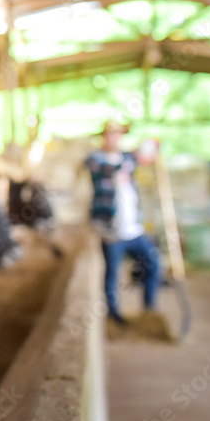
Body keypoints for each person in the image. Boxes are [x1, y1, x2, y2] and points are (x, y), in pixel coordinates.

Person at [85, 120, 161, 325]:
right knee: (113, 275)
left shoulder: (127, 158)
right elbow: (110, 169)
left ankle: (149, 310)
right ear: (103, 137)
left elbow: (144, 158)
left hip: (133, 229)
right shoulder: (95, 159)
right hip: (111, 231)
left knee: (153, 263)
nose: (114, 138)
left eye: (118, 134)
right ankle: (114, 316)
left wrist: (153, 147)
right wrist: (136, 155)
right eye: (110, 134)